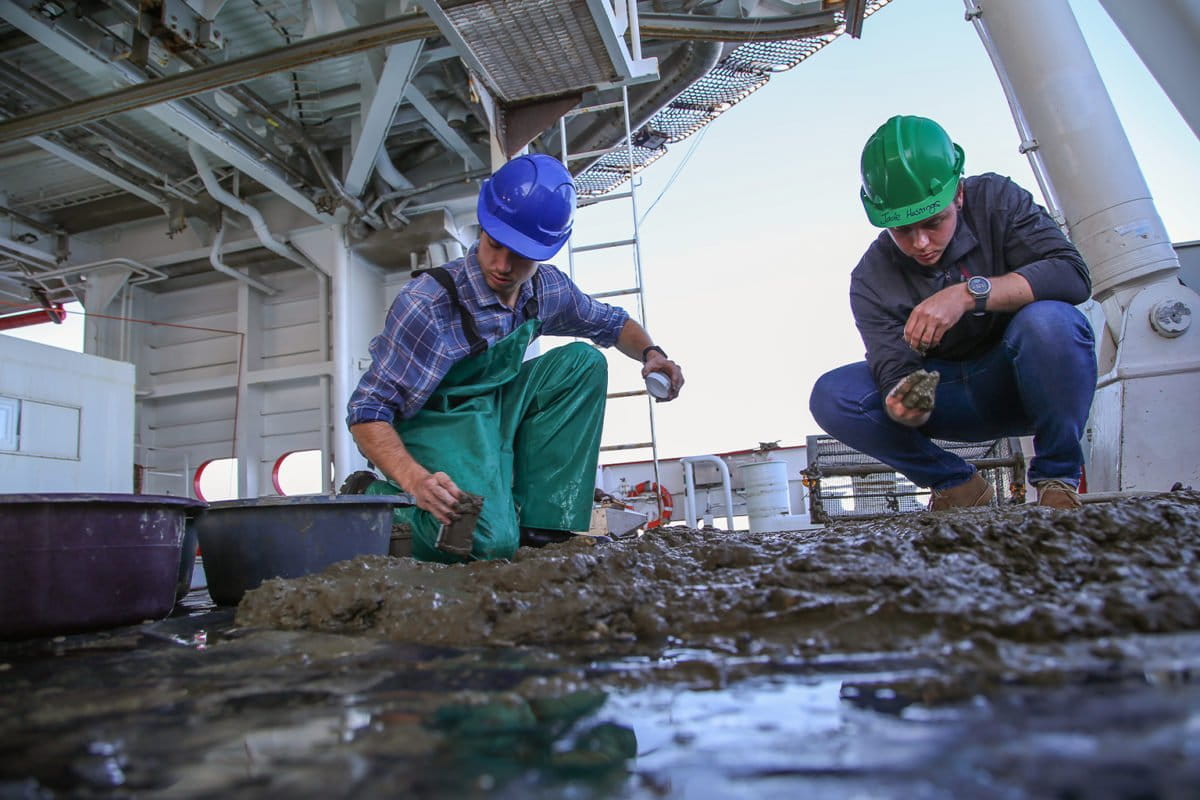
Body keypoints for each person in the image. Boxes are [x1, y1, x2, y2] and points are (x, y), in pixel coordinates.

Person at [346, 153, 684, 562]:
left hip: (496, 403)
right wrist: (415, 481)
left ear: (545, 251)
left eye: (520, 254)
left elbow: (612, 325)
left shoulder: (546, 290)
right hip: (434, 420)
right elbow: (367, 412)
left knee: (583, 363)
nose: (502, 266)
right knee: (485, 543)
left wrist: (651, 353)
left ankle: (540, 527)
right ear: (485, 227)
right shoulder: (427, 304)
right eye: (494, 245)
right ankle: (371, 497)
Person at [809, 115, 1096, 511]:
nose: (921, 243)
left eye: (933, 222)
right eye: (903, 230)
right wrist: (900, 398)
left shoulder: (999, 200)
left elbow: (1072, 276)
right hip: (948, 399)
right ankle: (956, 483)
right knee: (834, 395)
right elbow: (891, 364)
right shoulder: (871, 277)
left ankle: (1057, 481)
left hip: (1022, 382)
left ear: (958, 194)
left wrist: (969, 294)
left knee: (1050, 322)